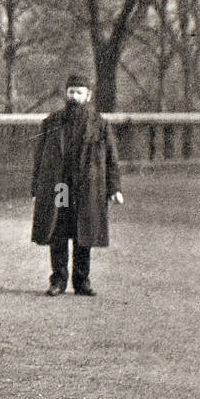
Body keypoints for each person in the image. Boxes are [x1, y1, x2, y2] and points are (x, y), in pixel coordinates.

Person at [31, 73, 123, 297]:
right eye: (71, 92)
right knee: (58, 233)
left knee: (85, 234)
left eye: (79, 92)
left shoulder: (100, 125)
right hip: (59, 186)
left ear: (88, 95)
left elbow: (112, 158)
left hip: (87, 186)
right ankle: (58, 281)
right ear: (66, 94)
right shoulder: (52, 122)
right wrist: (35, 188)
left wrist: (115, 188)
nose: (74, 97)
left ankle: (82, 281)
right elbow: (39, 156)